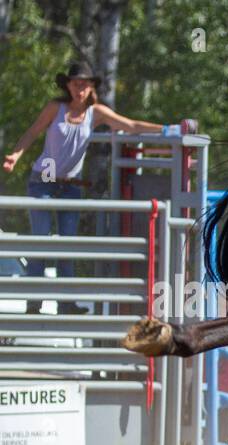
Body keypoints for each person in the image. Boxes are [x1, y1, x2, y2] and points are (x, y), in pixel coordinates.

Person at [3, 61, 166, 314]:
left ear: (91, 88)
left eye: (84, 85)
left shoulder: (96, 113)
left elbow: (130, 125)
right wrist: (15, 155)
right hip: (43, 179)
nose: (80, 89)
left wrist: (166, 129)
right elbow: (32, 132)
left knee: (68, 245)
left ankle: (65, 303)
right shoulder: (55, 108)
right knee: (41, 241)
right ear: (67, 86)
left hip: (70, 185)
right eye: (75, 83)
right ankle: (33, 304)